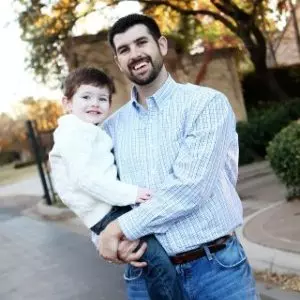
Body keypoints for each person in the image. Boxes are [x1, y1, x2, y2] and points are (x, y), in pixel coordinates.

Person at [97, 14, 260, 299]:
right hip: (145, 275)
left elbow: (190, 189)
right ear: (118, 61)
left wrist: (119, 229)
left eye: (141, 43)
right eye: (124, 50)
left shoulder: (206, 104)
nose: (134, 54)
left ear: (161, 45)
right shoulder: (110, 128)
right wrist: (107, 239)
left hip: (215, 270)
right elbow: (96, 192)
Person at [49, 67, 186, 300]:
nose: (95, 103)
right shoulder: (73, 133)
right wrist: (132, 194)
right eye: (86, 97)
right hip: (108, 213)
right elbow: (87, 179)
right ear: (67, 103)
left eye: (102, 98)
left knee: (153, 262)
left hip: (110, 209)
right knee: (158, 264)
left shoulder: (89, 130)